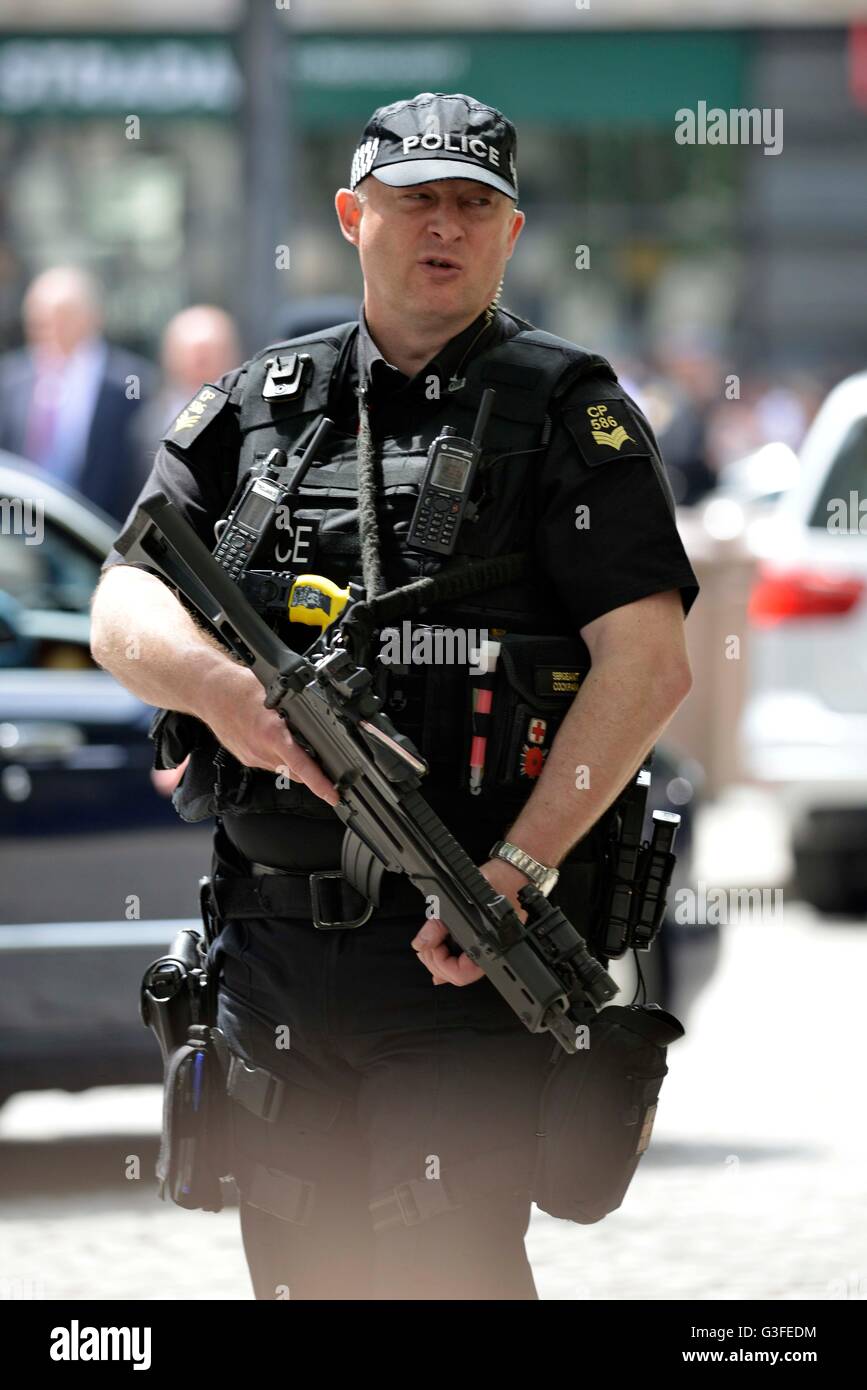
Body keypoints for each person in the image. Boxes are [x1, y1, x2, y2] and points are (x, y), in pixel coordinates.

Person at [90, 91, 700, 1301]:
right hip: (268, 959)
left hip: (457, 956)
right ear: (351, 215)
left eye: (476, 205)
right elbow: (123, 604)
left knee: (446, 1272)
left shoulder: (569, 415)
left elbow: (650, 664)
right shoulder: (261, 406)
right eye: (418, 199)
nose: (446, 226)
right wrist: (221, 695)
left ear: (513, 235)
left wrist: (517, 872)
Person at [0, 266, 155, 521]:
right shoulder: (10, 378)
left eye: (60, 315)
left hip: (97, 530)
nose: (46, 325)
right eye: (37, 315)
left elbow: (139, 464)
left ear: (92, 317)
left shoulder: (131, 381)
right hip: (24, 528)